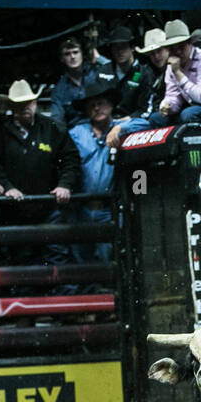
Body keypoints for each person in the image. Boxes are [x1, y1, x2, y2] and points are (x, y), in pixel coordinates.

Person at [0, 79, 80, 271]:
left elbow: (71, 160)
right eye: (18, 104)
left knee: (56, 255)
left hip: (49, 206)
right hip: (14, 208)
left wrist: (65, 184)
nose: (24, 107)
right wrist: (8, 187)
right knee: (20, 260)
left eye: (28, 102)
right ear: (11, 106)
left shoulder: (53, 128)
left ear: (35, 103)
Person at [62, 73, 127, 275]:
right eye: (91, 105)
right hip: (82, 206)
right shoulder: (76, 133)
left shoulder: (123, 128)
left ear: (111, 105)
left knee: (111, 256)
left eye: (101, 103)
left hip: (110, 207)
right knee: (82, 257)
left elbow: (145, 124)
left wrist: (120, 127)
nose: (96, 108)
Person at [148, 19, 201, 128]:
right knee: (156, 118)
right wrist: (167, 106)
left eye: (181, 47)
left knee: (188, 114)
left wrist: (178, 73)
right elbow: (173, 95)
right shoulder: (171, 65)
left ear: (190, 43)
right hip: (186, 107)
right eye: (172, 49)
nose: (178, 52)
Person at [49, 36, 112, 131]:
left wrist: (99, 58)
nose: (72, 57)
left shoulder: (96, 73)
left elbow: (114, 72)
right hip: (77, 131)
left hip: (105, 124)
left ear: (82, 54)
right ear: (62, 58)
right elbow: (57, 119)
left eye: (75, 52)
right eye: (67, 54)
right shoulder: (59, 89)